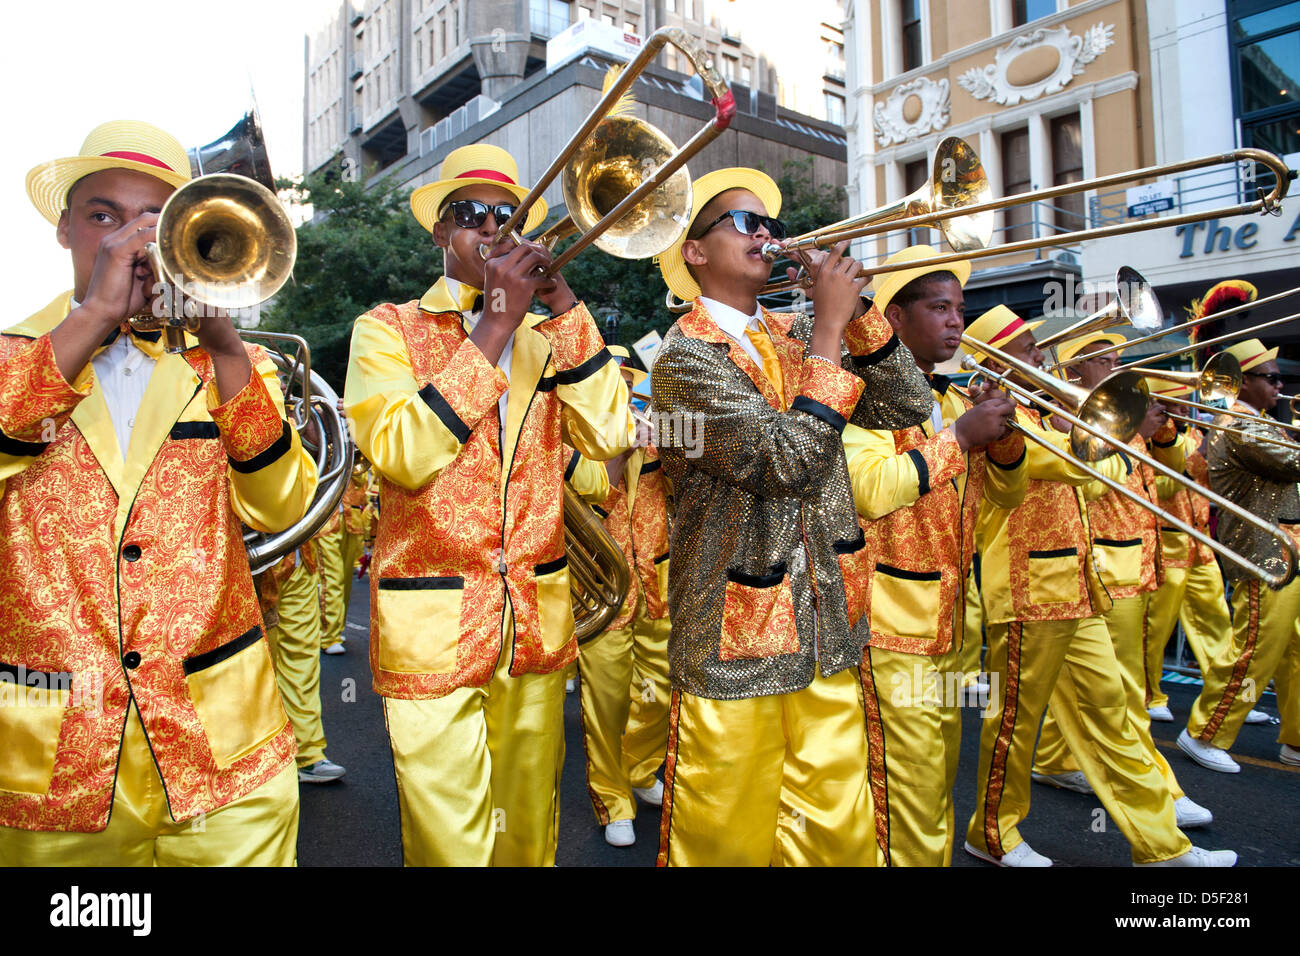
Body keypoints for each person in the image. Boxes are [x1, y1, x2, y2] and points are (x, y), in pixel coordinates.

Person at [0, 120, 317, 865]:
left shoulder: (234, 365)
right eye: (104, 216)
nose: (129, 242)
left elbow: (282, 506)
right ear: (63, 230)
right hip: (53, 758)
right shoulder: (16, 356)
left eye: (155, 222)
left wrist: (228, 344)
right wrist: (94, 317)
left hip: (226, 747)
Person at [343, 144, 631, 866]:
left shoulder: (553, 334)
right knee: (451, 843)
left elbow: (612, 437)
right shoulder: (386, 328)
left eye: (510, 216)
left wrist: (564, 309)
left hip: (534, 620)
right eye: (473, 215)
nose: (495, 227)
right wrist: (495, 324)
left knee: (528, 832)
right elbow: (404, 455)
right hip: (431, 629)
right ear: (440, 234)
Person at [650, 167, 935, 866]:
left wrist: (856, 310)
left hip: (827, 626)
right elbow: (782, 462)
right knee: (725, 836)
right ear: (694, 252)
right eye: (746, 223)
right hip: (733, 635)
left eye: (770, 225)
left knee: (838, 831)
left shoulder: (798, 334)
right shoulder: (681, 362)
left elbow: (906, 405)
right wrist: (832, 326)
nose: (769, 235)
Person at [960, 308, 1232, 867]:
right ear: (996, 362)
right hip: (1024, 589)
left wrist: (1092, 426)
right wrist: (1099, 427)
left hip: (1076, 587)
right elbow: (1073, 470)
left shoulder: (1045, 411)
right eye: (1029, 350)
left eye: (1036, 348)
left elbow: (1104, 479)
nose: (1039, 358)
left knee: (1113, 712)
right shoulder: (991, 415)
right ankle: (992, 834)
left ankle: (1162, 847)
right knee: (1014, 727)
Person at [841, 246, 1025, 866]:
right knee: (908, 790)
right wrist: (959, 439)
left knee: (937, 778)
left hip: (951, 621)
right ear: (893, 319)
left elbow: (1006, 499)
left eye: (960, 309)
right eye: (939, 308)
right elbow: (868, 491)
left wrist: (1003, 447)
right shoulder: (861, 392)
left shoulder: (952, 400)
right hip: (889, 626)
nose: (955, 321)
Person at [1030, 333, 1216, 832]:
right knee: (1123, 691)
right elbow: (1086, 484)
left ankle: (1053, 758)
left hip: (1135, 562)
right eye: (1104, 360)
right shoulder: (1059, 419)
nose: (1117, 365)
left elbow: (1173, 481)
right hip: (1103, 569)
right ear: (1074, 370)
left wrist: (1163, 434)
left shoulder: (1122, 418)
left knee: (1100, 686)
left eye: (1116, 358)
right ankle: (1161, 793)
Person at [1179, 338, 1300, 772]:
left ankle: (1297, 739)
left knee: (1294, 649)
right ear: (1243, 382)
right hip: (1261, 550)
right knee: (1256, 645)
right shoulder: (1238, 424)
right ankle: (1204, 731)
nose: (1279, 385)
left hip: (1284, 549)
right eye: (1271, 378)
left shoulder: (1262, 421)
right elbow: (1292, 462)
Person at [574, 346, 673, 848]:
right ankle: (613, 799)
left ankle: (640, 767)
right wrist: (619, 447)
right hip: (602, 593)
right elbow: (594, 495)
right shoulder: (574, 437)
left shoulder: (659, 421)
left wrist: (669, 438)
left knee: (661, 690)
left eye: (623, 379)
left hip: (658, 588)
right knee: (607, 706)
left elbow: (698, 474)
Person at [1139, 385, 1238, 723]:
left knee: (1218, 623)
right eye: (1172, 403)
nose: (1181, 410)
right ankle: (1150, 695)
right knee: (1155, 628)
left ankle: (1229, 697)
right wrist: (1198, 457)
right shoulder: (1147, 437)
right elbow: (1160, 487)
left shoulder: (1196, 434)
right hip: (1166, 543)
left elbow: (1210, 484)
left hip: (1201, 544)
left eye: (1183, 402)